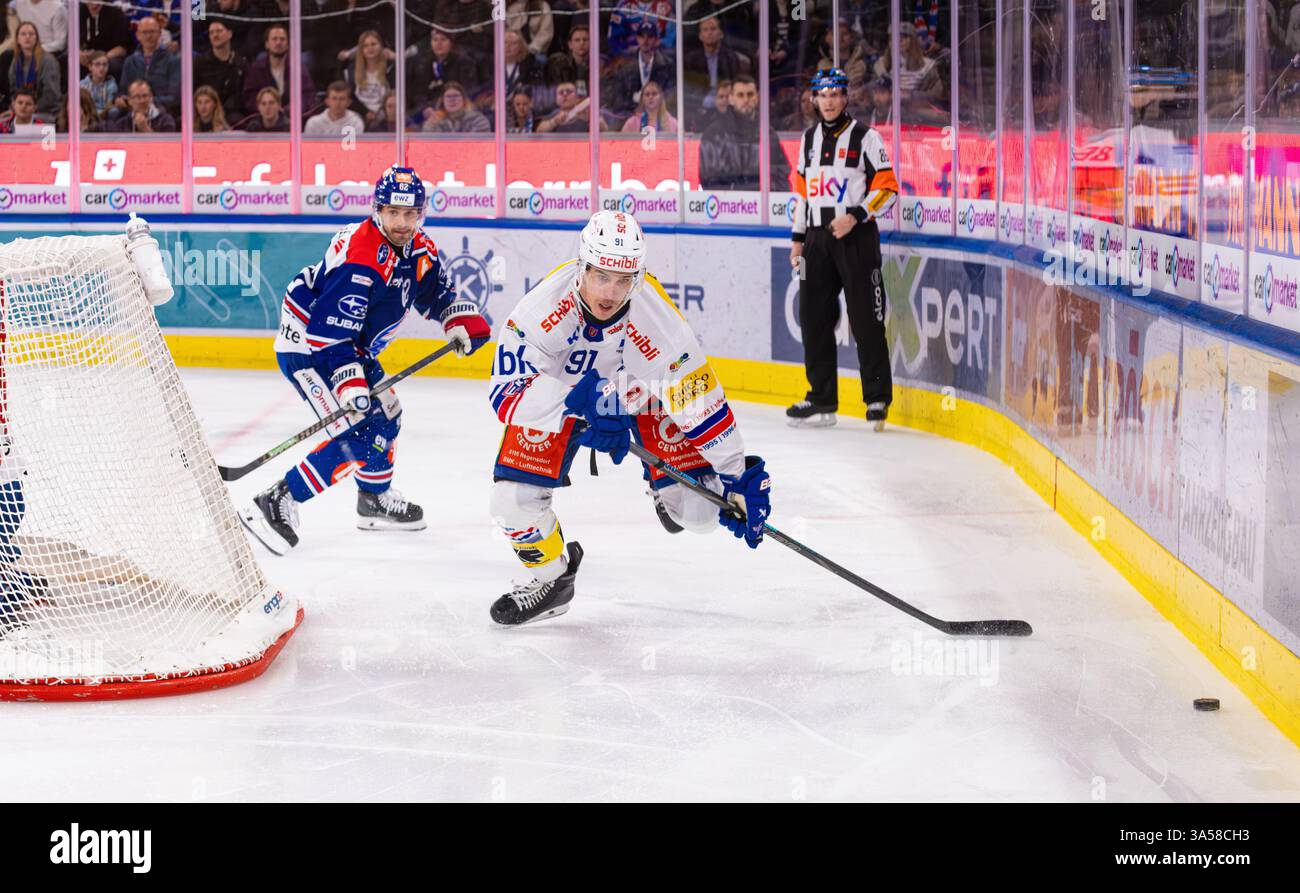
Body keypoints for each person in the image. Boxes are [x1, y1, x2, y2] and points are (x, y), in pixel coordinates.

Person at [485, 210, 773, 625]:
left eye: (624, 280)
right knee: (512, 503)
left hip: (642, 399)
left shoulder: (657, 319)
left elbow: (699, 398)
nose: (611, 292)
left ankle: (665, 492)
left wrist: (736, 474)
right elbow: (505, 392)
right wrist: (580, 404)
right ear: (582, 268)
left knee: (700, 514)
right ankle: (552, 579)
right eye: (601, 276)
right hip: (562, 402)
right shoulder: (540, 310)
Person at [240, 166, 490, 555]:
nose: (403, 223)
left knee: (387, 415)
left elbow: (434, 292)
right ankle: (277, 499)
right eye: (394, 213)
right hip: (310, 349)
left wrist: (456, 317)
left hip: (349, 347)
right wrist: (351, 385)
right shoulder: (362, 257)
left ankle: (372, 500)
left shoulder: (418, 247)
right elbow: (328, 332)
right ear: (377, 210)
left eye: (411, 214)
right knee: (357, 433)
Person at [787, 69, 897, 430]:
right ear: (814, 99)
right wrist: (797, 241)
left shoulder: (867, 138)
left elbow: (887, 188)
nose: (830, 100)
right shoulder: (807, 139)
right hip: (816, 241)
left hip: (856, 237)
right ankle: (821, 397)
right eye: (823, 94)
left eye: (836, 93)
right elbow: (803, 196)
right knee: (812, 316)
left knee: (866, 316)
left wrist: (856, 215)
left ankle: (877, 398)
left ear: (846, 97)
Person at [697, 75, 789, 189]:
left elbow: (782, 174)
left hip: (761, 204)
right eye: (740, 95)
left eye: (750, 95)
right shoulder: (714, 133)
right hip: (728, 204)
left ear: (757, 97)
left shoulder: (768, 133)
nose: (746, 100)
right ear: (731, 99)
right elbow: (708, 178)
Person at [116, 15, 180, 116]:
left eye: (152, 32)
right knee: (114, 112)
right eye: (144, 32)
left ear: (159, 33)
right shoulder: (130, 61)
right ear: (138, 35)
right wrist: (120, 99)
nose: (148, 36)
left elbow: (174, 98)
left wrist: (145, 102)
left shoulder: (173, 60)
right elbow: (123, 91)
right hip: (133, 109)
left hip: (161, 109)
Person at [193, 18, 247, 125]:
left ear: (230, 34)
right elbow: (196, 24)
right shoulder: (199, 1)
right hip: (205, 111)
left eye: (219, 31)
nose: (215, 35)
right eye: (211, 32)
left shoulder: (240, 63)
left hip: (231, 113)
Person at [7, 21, 60, 120]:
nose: (27, 37)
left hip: (46, 112)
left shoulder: (48, 61)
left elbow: (51, 96)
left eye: (31, 34)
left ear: (36, 39)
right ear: (18, 39)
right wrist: (18, 108)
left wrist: (29, 110)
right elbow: (13, 90)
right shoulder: (15, 62)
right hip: (22, 111)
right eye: (23, 34)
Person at [106, 79, 177, 132]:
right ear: (130, 101)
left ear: (151, 98)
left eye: (145, 96)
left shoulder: (166, 120)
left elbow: (165, 149)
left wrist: (145, 129)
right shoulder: (122, 124)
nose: (142, 100)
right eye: (137, 97)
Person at [419, 80, 490, 133]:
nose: (452, 100)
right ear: (442, 101)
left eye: (456, 96)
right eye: (448, 97)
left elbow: (480, 147)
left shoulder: (478, 120)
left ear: (464, 100)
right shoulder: (433, 122)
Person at [79, 51, 117, 124]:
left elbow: (108, 107)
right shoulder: (81, 85)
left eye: (105, 64)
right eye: (97, 64)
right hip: (85, 116)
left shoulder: (112, 85)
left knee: (114, 111)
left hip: (104, 117)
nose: (101, 68)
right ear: (90, 67)